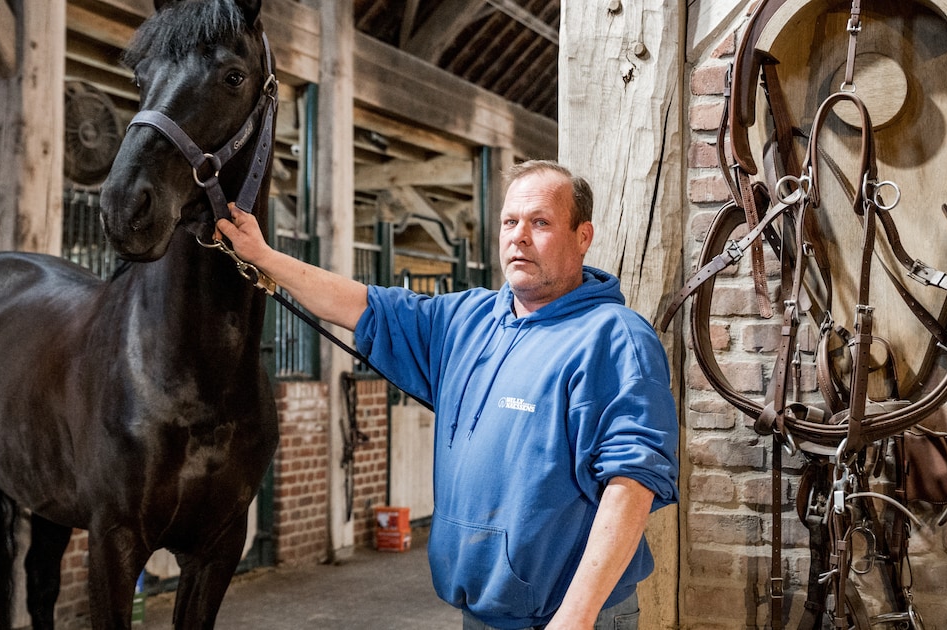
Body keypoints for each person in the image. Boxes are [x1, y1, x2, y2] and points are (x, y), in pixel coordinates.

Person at [216, 160, 679, 630]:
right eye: (509, 221)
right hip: (480, 612)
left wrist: (577, 616)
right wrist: (265, 256)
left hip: (565, 617)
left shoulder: (614, 338)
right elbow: (360, 303)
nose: (518, 236)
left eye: (540, 222)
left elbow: (633, 483)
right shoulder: (465, 320)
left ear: (583, 237)